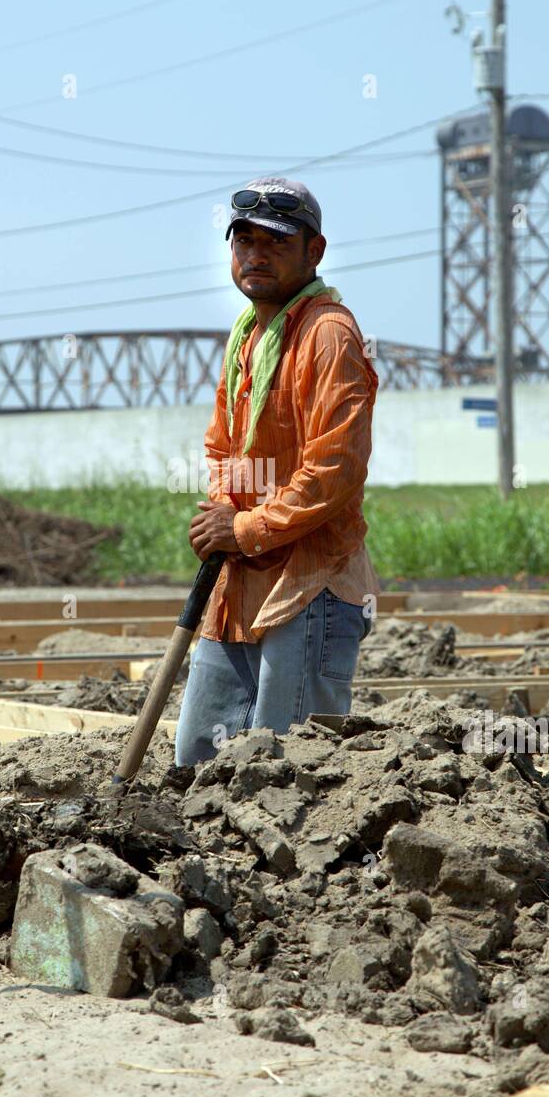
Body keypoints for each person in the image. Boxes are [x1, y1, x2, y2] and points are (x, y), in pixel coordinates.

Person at [174, 176, 379, 767]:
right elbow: (221, 445)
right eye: (244, 242)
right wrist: (224, 513)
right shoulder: (248, 336)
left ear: (314, 252)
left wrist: (244, 528)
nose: (255, 256)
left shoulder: (328, 334)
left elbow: (333, 468)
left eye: (276, 243)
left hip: (309, 584)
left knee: (289, 770)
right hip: (238, 583)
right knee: (197, 758)